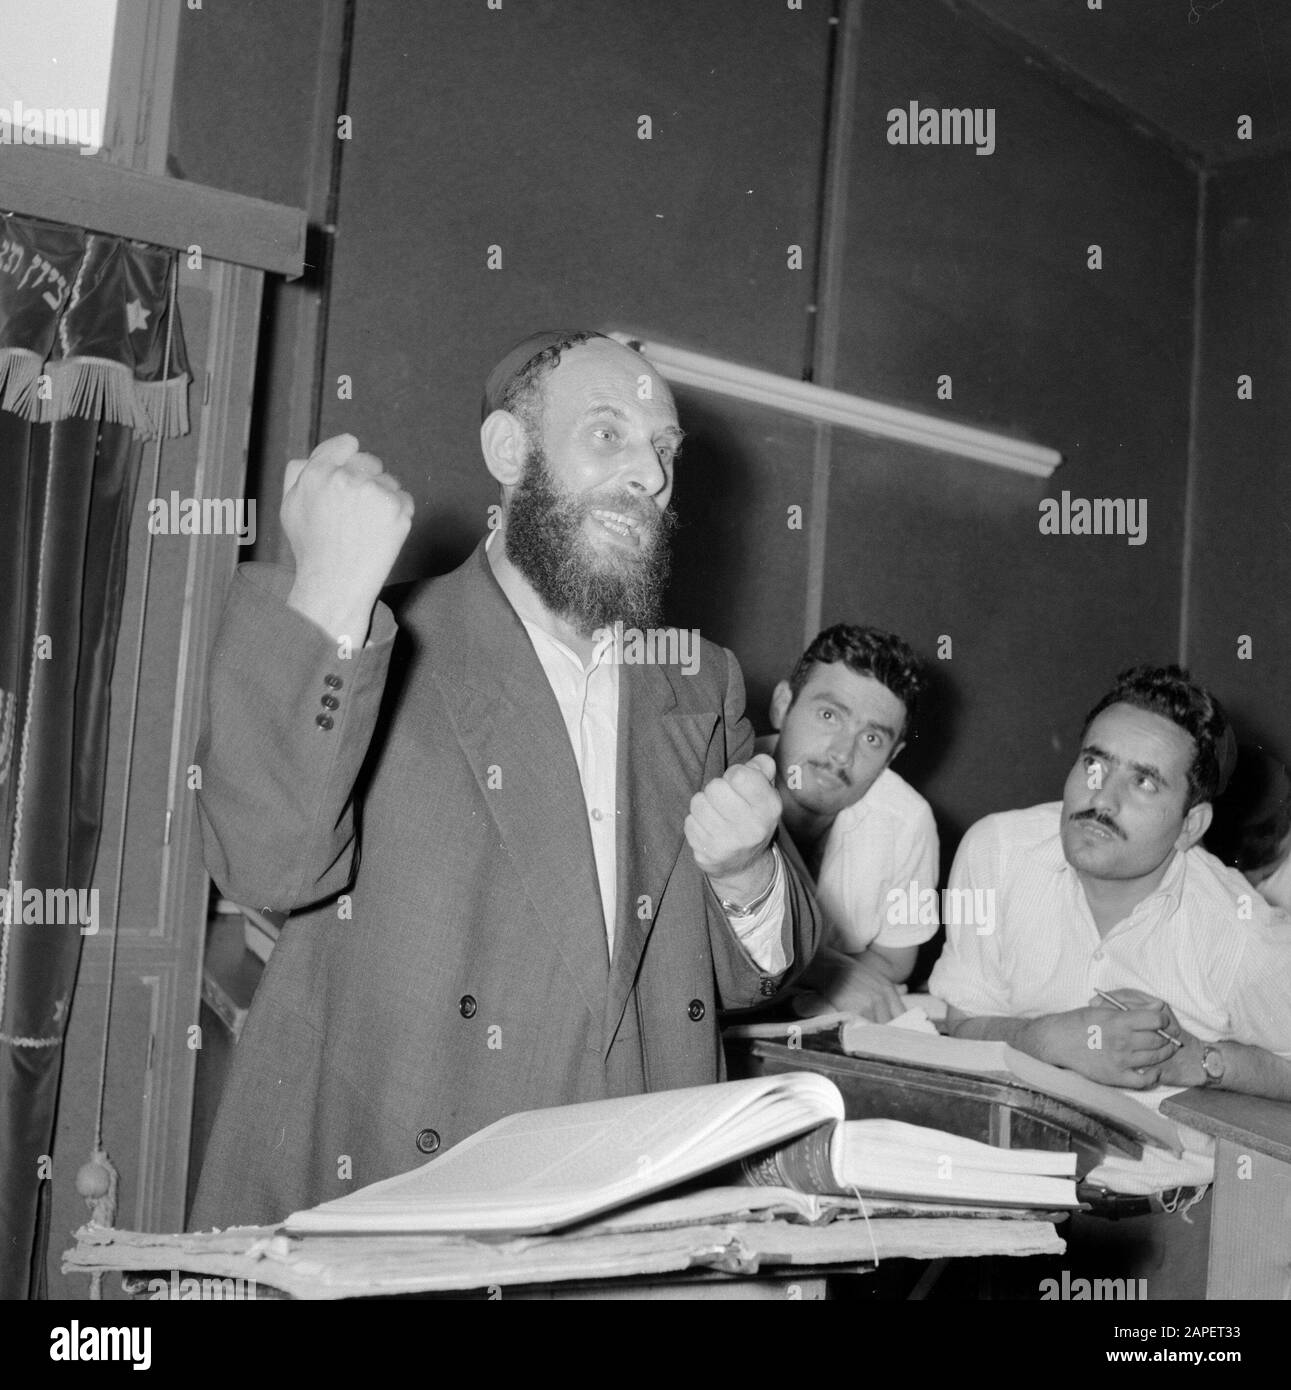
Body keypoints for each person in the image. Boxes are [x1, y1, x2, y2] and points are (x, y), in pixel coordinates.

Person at [188, 329, 821, 1229]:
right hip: (406, 1200)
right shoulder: (380, 641)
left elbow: (759, 975)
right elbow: (264, 864)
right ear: (508, 451)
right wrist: (328, 591)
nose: (649, 474)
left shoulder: (700, 682)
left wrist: (747, 875)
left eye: (663, 451)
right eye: (608, 434)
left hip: (627, 1211)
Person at [929, 664, 1291, 1197]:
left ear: (1191, 825)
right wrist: (1047, 1038)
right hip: (999, 1184)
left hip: (1162, 1225)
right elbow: (961, 1026)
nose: (1103, 799)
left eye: (1144, 782)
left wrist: (1201, 1060)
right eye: (1095, 765)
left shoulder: (1239, 931)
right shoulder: (998, 853)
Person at [759, 624, 938, 1022]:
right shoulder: (715, 775)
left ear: (892, 756)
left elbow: (894, 962)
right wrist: (830, 971)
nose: (842, 754)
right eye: (829, 715)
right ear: (782, 704)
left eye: (872, 739)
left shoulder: (907, 819)